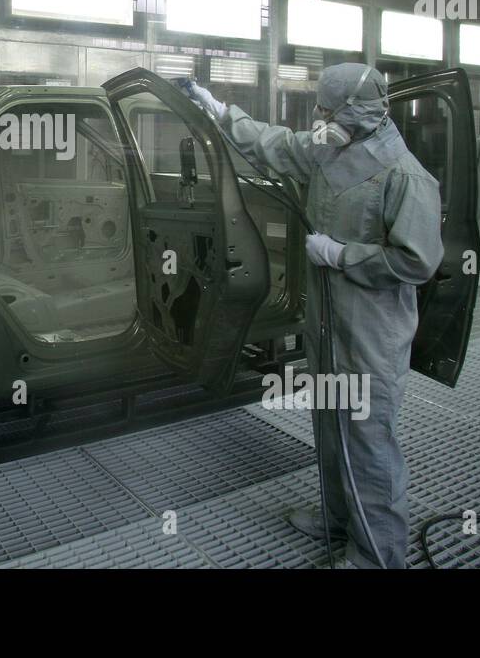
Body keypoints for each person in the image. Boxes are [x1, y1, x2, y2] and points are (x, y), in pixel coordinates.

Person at [179, 64, 443, 568]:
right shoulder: (331, 144)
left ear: (357, 111)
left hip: (371, 333)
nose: (318, 116)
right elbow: (278, 144)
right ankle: (339, 518)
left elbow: (418, 260)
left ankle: (378, 554)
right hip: (327, 321)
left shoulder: (404, 175)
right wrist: (218, 110)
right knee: (329, 423)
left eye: (327, 108)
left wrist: (342, 255)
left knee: (367, 438)